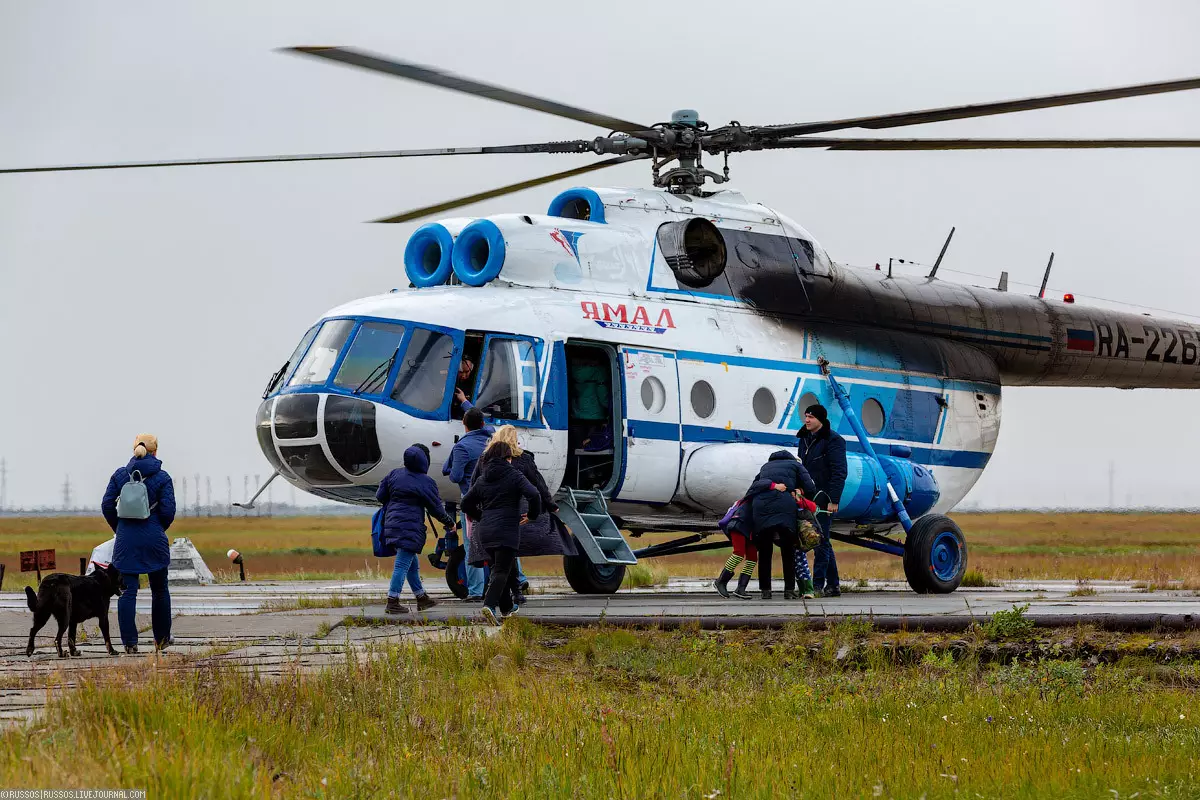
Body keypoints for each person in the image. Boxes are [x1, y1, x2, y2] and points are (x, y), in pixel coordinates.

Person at [100, 434, 176, 653]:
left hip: (126, 540)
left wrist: (120, 528)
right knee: (160, 589)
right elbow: (168, 511)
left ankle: (130, 643)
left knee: (127, 591)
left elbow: (106, 505)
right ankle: (161, 640)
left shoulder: (120, 475)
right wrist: (157, 527)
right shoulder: (162, 477)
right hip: (154, 538)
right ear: (155, 452)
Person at [471, 426, 555, 605]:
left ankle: (507, 599)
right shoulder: (523, 459)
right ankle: (510, 595)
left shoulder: (484, 460)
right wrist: (548, 506)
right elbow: (538, 485)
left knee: (501, 559)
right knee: (508, 554)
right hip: (513, 514)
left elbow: (473, 486)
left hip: (488, 515)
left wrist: (477, 514)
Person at [461, 441, 542, 626]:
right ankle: (489, 605)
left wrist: (481, 516)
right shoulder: (514, 475)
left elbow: (466, 504)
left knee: (500, 569)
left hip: (486, 532)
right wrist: (532, 515)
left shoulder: (483, 478)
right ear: (507, 458)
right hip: (506, 530)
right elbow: (534, 494)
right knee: (501, 570)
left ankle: (506, 610)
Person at [376, 444, 456, 615]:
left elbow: (379, 496)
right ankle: (392, 601)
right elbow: (436, 508)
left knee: (412, 564)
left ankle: (422, 598)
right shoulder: (425, 481)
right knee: (402, 565)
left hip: (391, 524)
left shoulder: (394, 474)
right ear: (424, 461)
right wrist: (449, 523)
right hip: (410, 527)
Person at [442, 407, 494, 600]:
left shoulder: (463, 447)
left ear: (464, 425)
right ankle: (519, 580)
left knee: (472, 545)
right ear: (482, 423)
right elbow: (481, 423)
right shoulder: (492, 439)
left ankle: (475, 591)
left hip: (472, 500)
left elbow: (454, 476)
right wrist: (464, 403)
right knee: (501, 542)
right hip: (494, 498)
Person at [749, 450, 816, 600]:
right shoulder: (795, 465)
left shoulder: (765, 467)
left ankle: (765, 591)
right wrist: (799, 490)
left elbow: (754, 486)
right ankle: (789, 590)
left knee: (765, 553)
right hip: (785, 508)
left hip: (761, 509)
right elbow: (811, 487)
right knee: (788, 551)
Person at [797, 404, 848, 597]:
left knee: (820, 541)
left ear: (821, 419)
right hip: (808, 496)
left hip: (824, 498)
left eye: (810, 417)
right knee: (822, 540)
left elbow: (839, 472)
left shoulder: (834, 440)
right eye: (806, 416)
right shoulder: (804, 438)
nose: (807, 420)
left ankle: (817, 586)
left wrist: (833, 500)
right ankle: (833, 585)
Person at [713, 479, 783, 600]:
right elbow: (758, 484)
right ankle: (721, 581)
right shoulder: (754, 494)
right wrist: (774, 485)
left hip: (749, 531)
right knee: (738, 554)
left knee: (752, 559)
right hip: (739, 524)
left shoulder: (764, 500)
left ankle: (741, 589)